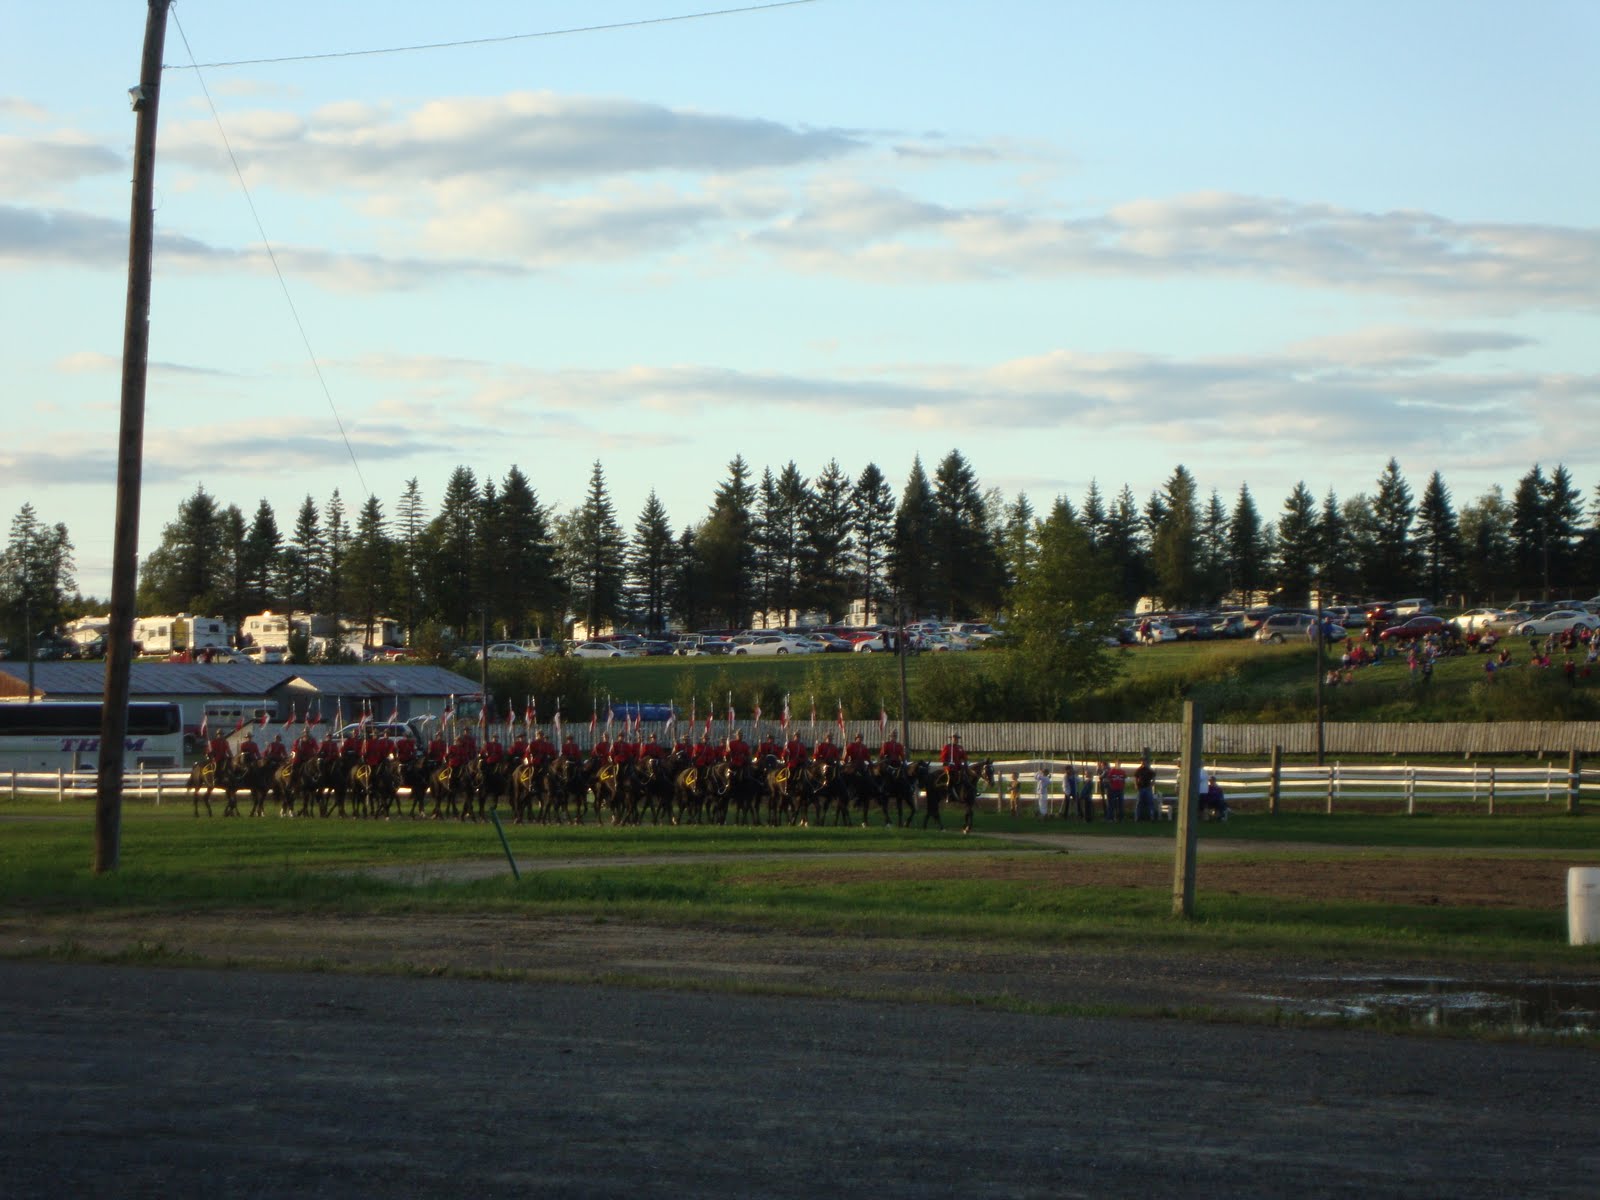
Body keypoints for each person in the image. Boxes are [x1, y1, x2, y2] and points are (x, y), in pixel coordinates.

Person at [1134, 756, 1158, 822]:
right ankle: (1137, 818)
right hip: (1141, 788)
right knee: (1139, 803)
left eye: (1144, 761)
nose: (1143, 762)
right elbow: (1136, 778)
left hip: (1147, 788)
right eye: (1142, 761)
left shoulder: (1149, 770)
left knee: (1150, 803)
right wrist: (1136, 785)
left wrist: (1153, 783)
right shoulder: (1138, 770)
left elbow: (1154, 776)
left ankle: (1152, 817)